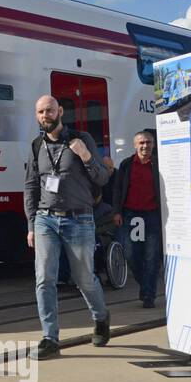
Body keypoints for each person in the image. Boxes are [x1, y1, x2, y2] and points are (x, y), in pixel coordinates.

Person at [24, 95, 112, 358]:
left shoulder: (81, 139)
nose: (45, 115)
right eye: (40, 111)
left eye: (49, 110)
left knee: (84, 279)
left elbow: (103, 178)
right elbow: (30, 187)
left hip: (80, 218)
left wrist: (86, 156)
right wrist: (31, 224)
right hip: (45, 220)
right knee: (44, 280)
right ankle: (50, 338)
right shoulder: (36, 145)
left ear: (60, 111)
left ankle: (101, 317)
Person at [113, 131, 163, 310]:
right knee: (132, 255)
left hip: (152, 216)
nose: (145, 146)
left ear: (154, 145)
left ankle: (149, 294)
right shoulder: (126, 165)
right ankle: (145, 286)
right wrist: (117, 212)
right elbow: (118, 190)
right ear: (135, 145)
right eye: (141, 142)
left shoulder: (159, 164)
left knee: (151, 257)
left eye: (148, 142)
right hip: (132, 216)